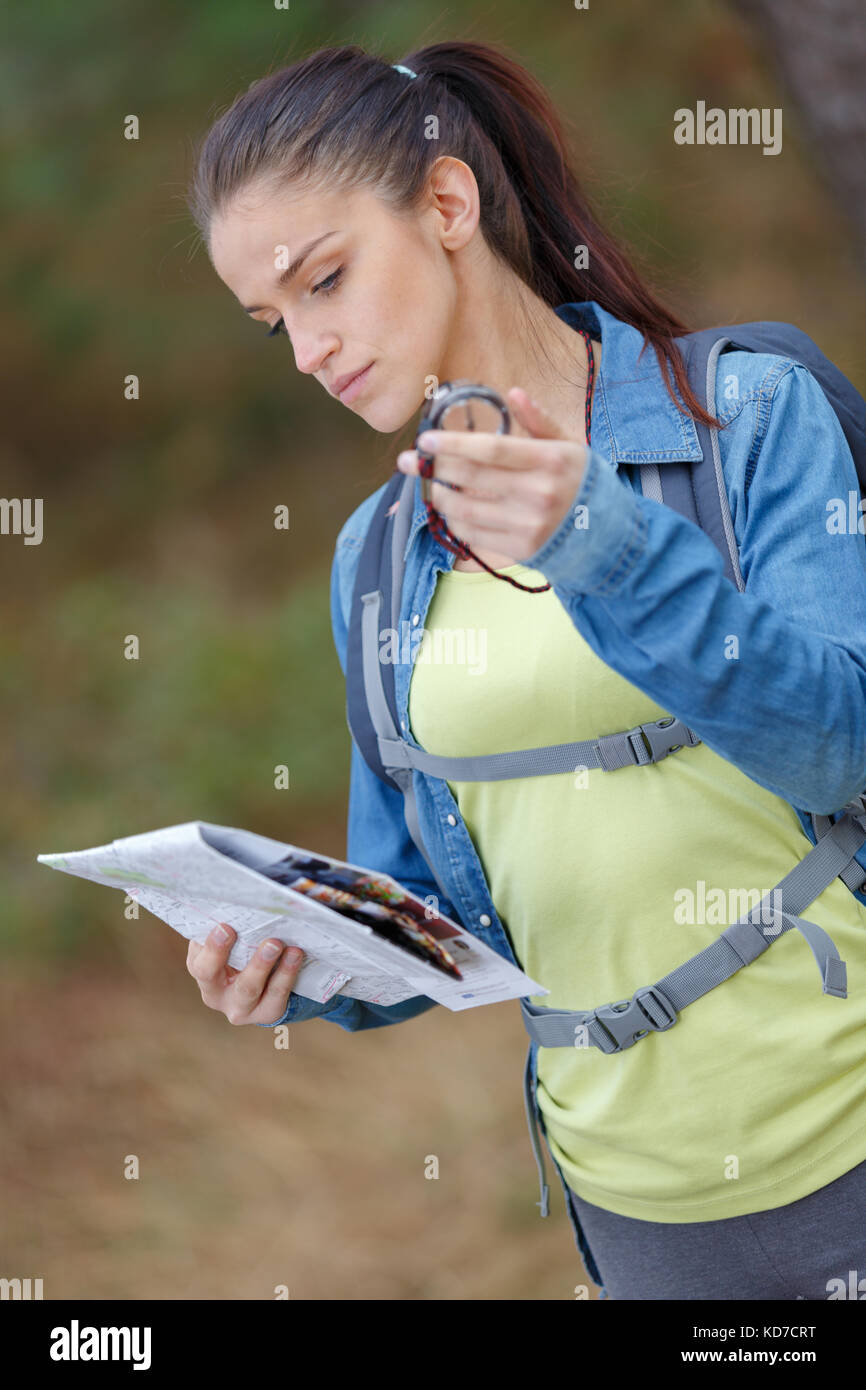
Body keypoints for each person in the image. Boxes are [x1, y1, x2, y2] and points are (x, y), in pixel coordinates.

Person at [184, 39, 866, 1300]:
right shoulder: (373, 560)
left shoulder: (751, 419)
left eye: (325, 280)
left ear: (446, 206)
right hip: (634, 1206)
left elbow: (837, 744)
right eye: (276, 321)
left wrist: (594, 540)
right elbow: (425, 911)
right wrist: (303, 964)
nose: (307, 350)